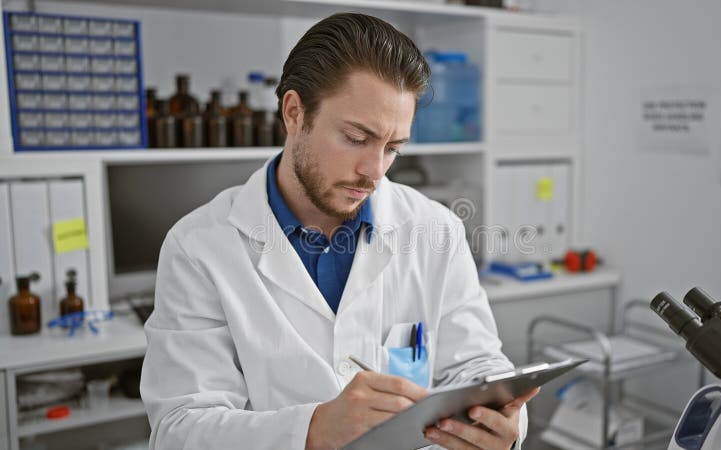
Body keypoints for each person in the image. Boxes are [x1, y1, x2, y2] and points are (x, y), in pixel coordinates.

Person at [140, 13, 538, 450]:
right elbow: (179, 429)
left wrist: (506, 428)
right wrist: (311, 431)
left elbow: (477, 365)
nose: (374, 171)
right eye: (355, 137)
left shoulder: (436, 229)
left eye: (392, 148)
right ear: (294, 112)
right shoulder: (199, 247)